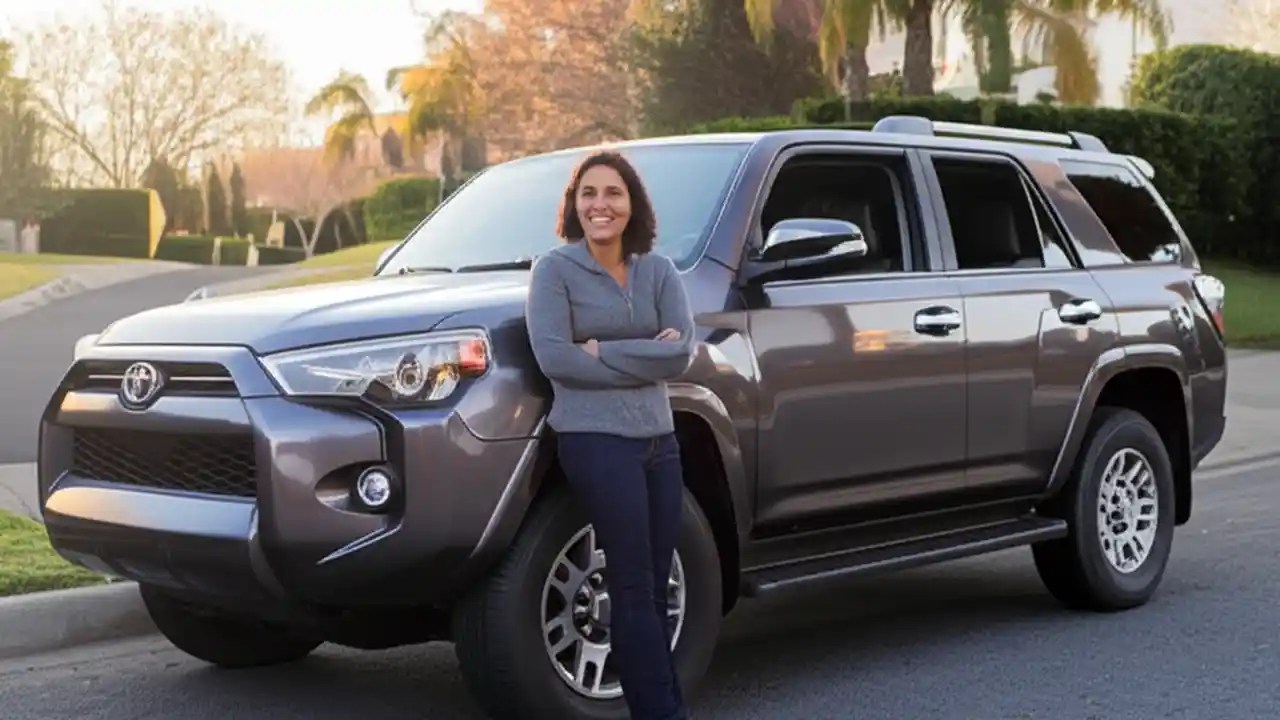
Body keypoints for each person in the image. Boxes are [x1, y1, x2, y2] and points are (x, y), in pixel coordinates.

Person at [525, 149, 696, 720]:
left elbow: (680, 354)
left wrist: (604, 350)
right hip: (595, 442)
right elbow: (556, 360)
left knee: (654, 589)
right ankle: (661, 713)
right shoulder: (554, 270)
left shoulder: (659, 271)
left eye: (613, 193)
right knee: (629, 580)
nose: (601, 204)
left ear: (632, 204)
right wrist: (644, 352)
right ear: (574, 206)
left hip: (659, 441)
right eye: (589, 194)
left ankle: (661, 702)